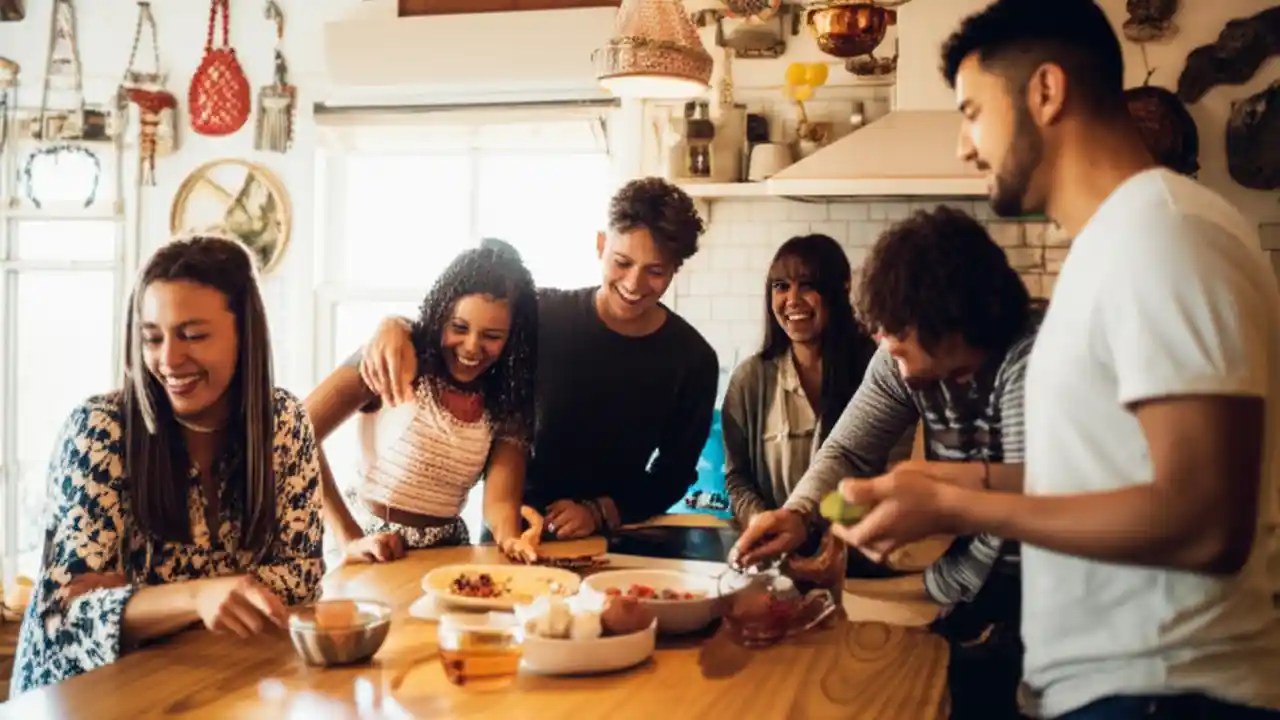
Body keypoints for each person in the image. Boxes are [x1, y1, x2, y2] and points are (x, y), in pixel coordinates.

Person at [834, 1, 1280, 718]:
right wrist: (954, 476)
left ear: (1046, 91)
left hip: (1166, 694)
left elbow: (1205, 521)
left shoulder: (1162, 237)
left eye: (973, 111)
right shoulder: (1111, 250)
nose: (963, 146)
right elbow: (1114, 479)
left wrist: (954, 502)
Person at [733, 206, 1039, 719]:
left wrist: (939, 506)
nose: (885, 351)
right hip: (974, 594)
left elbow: (1034, 505)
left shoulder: (1030, 360)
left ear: (951, 325)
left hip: (1049, 600)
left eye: (897, 343)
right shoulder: (902, 351)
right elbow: (850, 449)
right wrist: (799, 513)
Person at [11, 237, 324, 694]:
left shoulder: (285, 422)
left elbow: (302, 577)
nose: (169, 360)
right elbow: (63, 615)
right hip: (82, 697)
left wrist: (138, 598)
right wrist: (199, 597)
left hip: (205, 685)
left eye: (193, 335)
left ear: (246, 335)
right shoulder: (100, 430)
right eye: (152, 337)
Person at [357, 177, 719, 540]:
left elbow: (673, 475)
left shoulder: (693, 359)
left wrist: (600, 512)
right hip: (511, 528)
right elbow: (460, 326)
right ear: (600, 245)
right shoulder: (540, 315)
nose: (634, 283)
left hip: (617, 538)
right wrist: (396, 326)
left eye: (655, 271)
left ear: (675, 269)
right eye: (622, 262)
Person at [305, 239, 540, 563]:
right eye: (459, 327)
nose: (471, 347)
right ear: (440, 313)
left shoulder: (506, 396)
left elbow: (500, 503)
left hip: (449, 551)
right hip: (372, 546)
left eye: (491, 336)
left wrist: (512, 539)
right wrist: (348, 538)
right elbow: (293, 435)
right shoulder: (396, 355)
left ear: (512, 339)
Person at [721, 233, 878, 525]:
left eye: (807, 286)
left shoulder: (874, 373)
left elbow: (889, 470)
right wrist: (763, 523)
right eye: (781, 287)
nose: (792, 300)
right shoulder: (749, 381)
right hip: (775, 549)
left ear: (838, 291)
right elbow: (737, 477)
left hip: (861, 551)